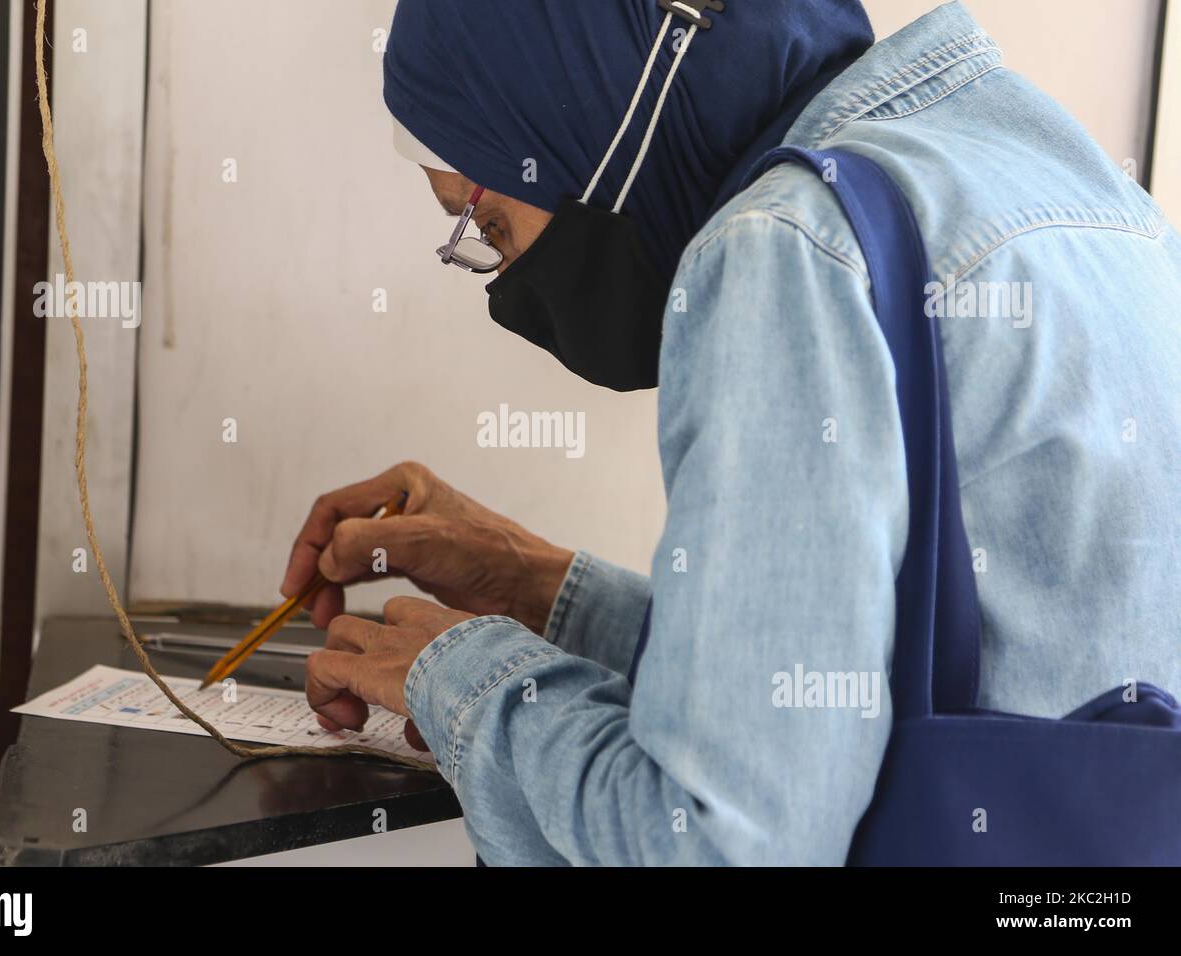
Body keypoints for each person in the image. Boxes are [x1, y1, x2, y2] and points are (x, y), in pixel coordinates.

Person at [283, 0, 1181, 865]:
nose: (503, 268)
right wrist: (533, 582)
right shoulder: (1087, 196)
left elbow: (716, 841)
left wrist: (460, 677)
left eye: (485, 221)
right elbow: (857, 696)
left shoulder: (789, 245)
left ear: (583, 100)